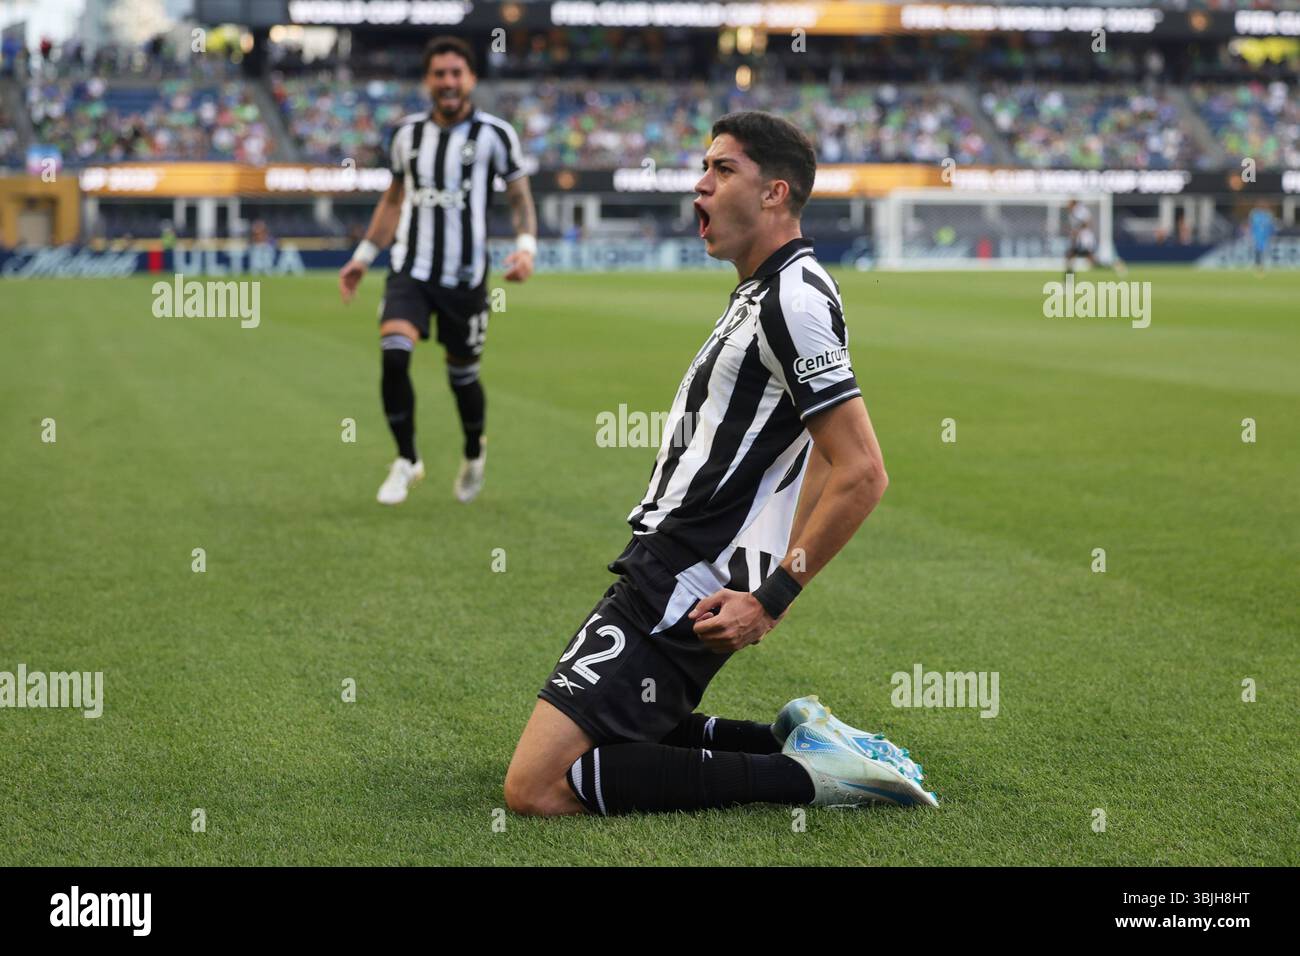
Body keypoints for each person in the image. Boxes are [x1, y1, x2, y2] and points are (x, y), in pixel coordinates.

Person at [504, 112, 937, 817]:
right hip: (671, 562)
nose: (700, 189)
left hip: (684, 573)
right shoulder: (767, 292)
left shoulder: (792, 298)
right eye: (703, 170)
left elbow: (860, 468)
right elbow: (820, 457)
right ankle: (794, 744)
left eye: (721, 170)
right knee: (623, 722)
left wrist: (771, 597)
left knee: (536, 787)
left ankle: (811, 779)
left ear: (774, 192)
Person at [339, 36, 536, 505]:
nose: (448, 82)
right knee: (393, 355)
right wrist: (364, 257)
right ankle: (407, 459)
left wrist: (526, 247)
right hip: (411, 269)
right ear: (428, 80)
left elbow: (518, 196)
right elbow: (392, 199)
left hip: (465, 279)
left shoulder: (496, 134)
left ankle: (473, 453)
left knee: (462, 379)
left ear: (469, 79)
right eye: (439, 74)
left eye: (456, 73)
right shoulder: (407, 135)